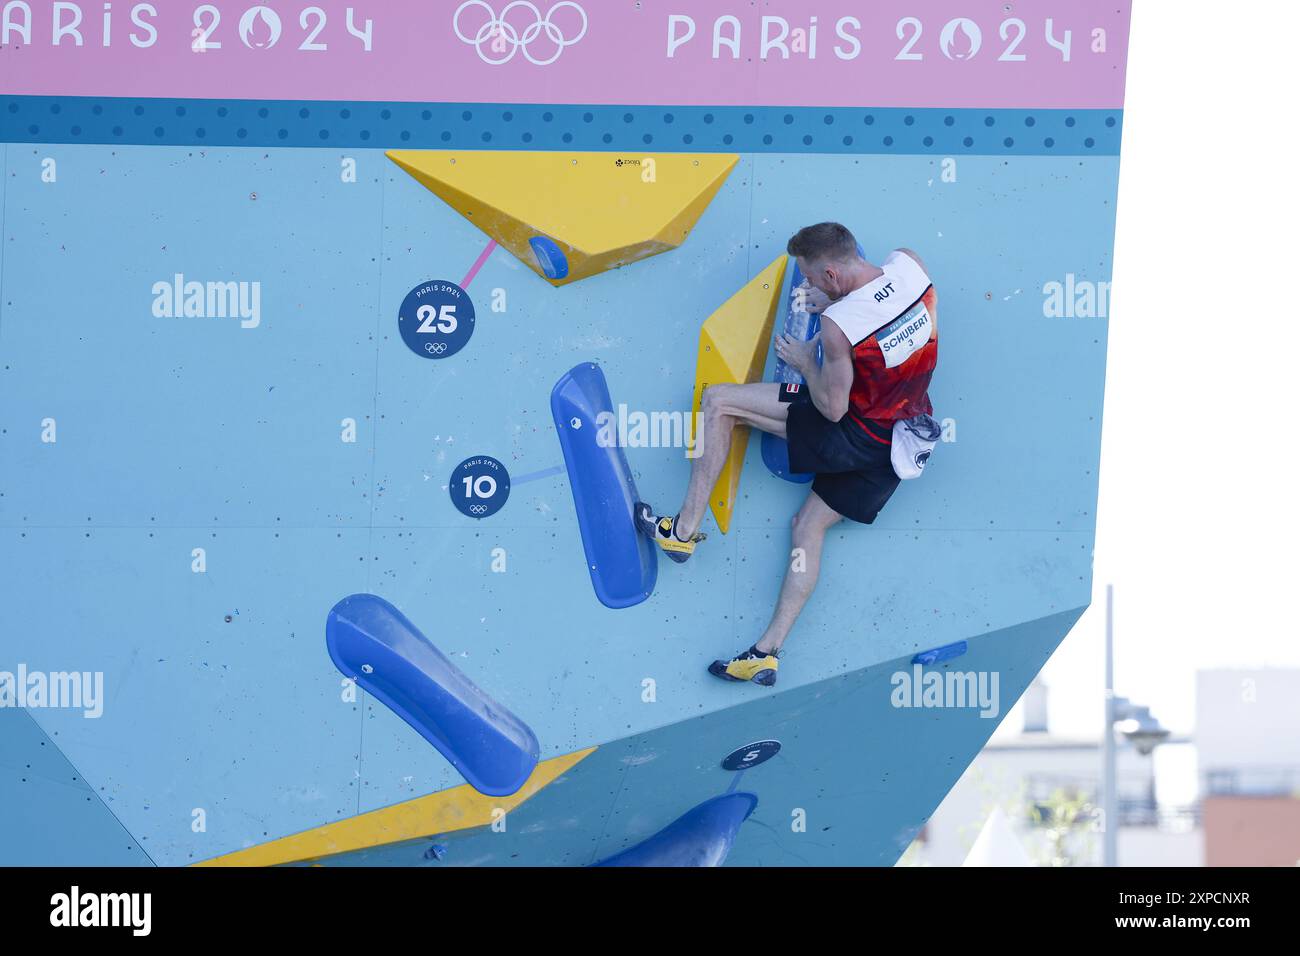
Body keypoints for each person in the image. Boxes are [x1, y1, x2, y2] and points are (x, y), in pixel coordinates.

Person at [635, 222, 939, 687]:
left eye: (814, 279)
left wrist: (805, 362)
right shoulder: (911, 265)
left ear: (833, 274)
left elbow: (832, 408)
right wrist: (840, 303)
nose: (811, 286)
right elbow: (886, 316)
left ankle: (682, 530)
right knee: (807, 527)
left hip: (851, 434)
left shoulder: (840, 327)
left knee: (719, 402)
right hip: (901, 440)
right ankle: (766, 652)